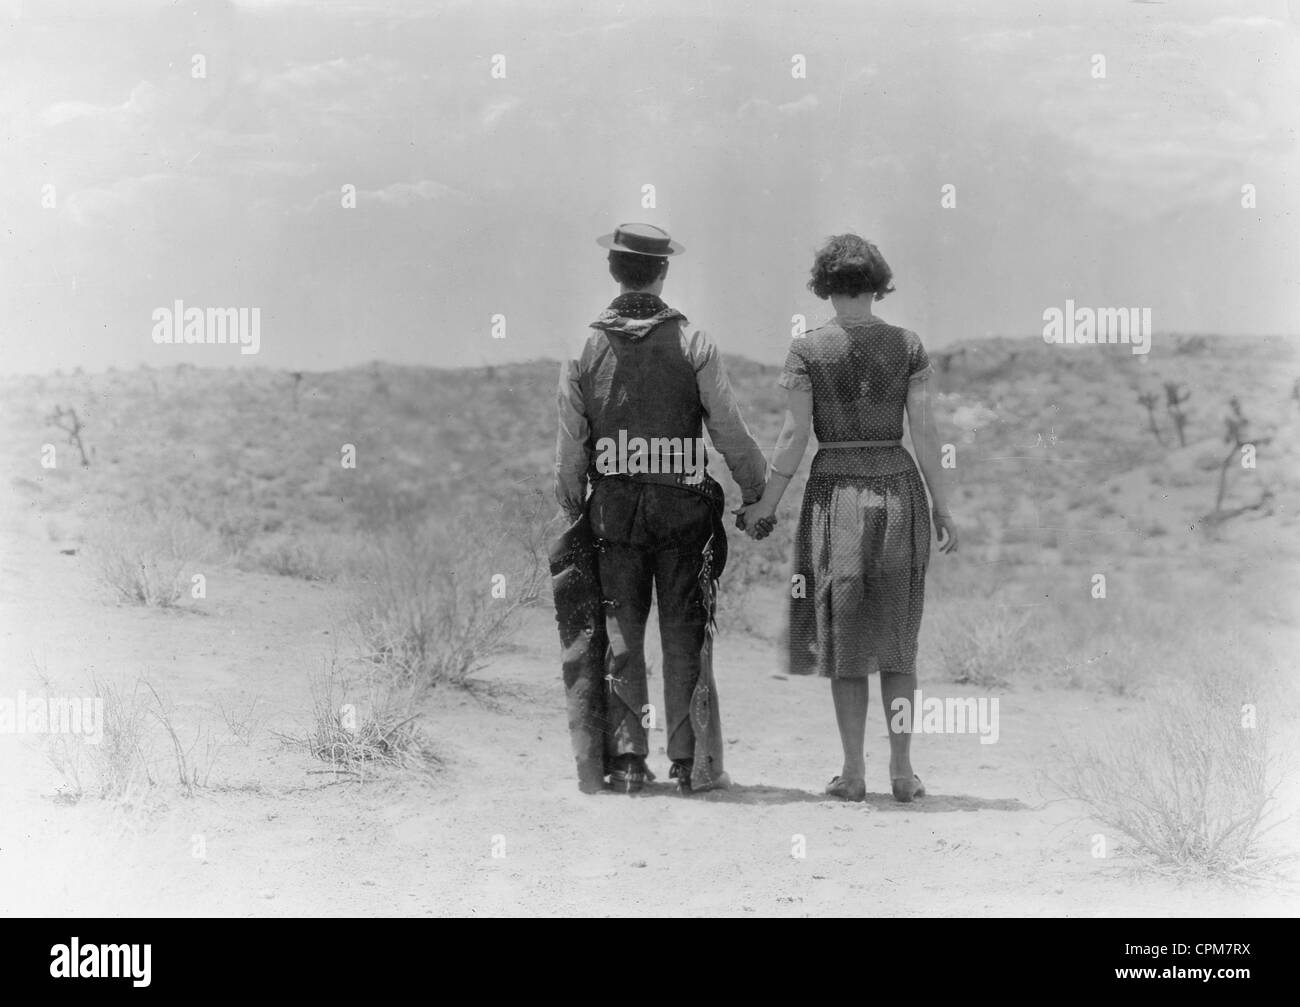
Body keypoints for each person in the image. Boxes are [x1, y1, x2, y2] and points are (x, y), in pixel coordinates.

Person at [738, 234, 958, 803]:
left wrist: (766, 505)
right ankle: (903, 774)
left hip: (835, 494)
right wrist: (943, 504)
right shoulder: (907, 345)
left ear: (825, 285)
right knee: (897, 643)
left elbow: (792, 437)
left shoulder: (808, 349)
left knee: (845, 641)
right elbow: (926, 431)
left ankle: (853, 773)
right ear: (878, 283)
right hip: (900, 492)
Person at [553, 223, 768, 794]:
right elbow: (727, 427)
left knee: (621, 632)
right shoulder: (695, 342)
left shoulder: (584, 346)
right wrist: (757, 494)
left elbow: (571, 447)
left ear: (613, 270)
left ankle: (625, 762)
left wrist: (577, 504)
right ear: (664, 270)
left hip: (613, 510)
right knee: (685, 630)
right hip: (682, 507)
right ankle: (689, 760)